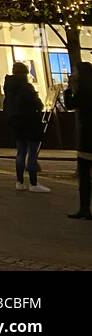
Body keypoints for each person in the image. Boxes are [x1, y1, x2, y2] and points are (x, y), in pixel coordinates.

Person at [3, 62, 49, 193]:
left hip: (16, 124)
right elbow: (38, 104)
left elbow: (6, 106)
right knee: (32, 153)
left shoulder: (9, 88)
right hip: (30, 123)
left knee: (21, 152)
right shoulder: (26, 87)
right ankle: (33, 183)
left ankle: (19, 181)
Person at [66, 60, 92, 221]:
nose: (72, 74)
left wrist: (69, 89)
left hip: (87, 138)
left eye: (74, 71)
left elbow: (70, 105)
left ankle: (84, 208)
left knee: (84, 175)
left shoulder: (83, 92)